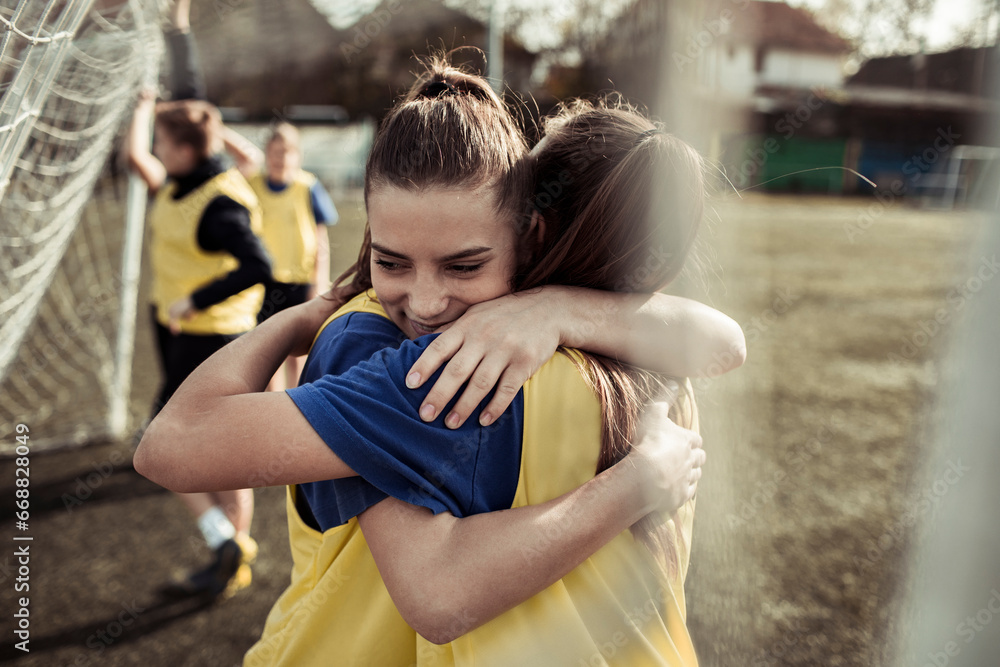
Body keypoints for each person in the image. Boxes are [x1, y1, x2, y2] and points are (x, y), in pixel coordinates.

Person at [136, 56, 743, 665]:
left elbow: (173, 443)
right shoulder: (660, 367)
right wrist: (561, 311)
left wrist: (293, 322)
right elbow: (726, 343)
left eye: (464, 264)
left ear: (531, 233)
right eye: (392, 260)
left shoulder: (438, 369)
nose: (425, 303)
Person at [124, 0, 269, 600]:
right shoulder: (184, 178)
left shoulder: (217, 204)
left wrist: (192, 300)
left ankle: (222, 542)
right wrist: (177, 33)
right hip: (191, 335)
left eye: (164, 138)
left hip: (211, 338)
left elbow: (258, 265)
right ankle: (232, 556)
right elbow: (188, 107)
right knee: (219, 453)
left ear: (185, 148)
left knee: (158, 446)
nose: (157, 147)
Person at [249, 122, 337, 391]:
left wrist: (318, 284)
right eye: (276, 152)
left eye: (287, 153)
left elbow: (321, 241)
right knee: (267, 355)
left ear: (297, 156)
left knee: (298, 354)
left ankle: (296, 402)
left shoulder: (307, 187)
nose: (281, 159)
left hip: (299, 283)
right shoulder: (251, 186)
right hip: (261, 285)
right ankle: (270, 406)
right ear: (266, 154)